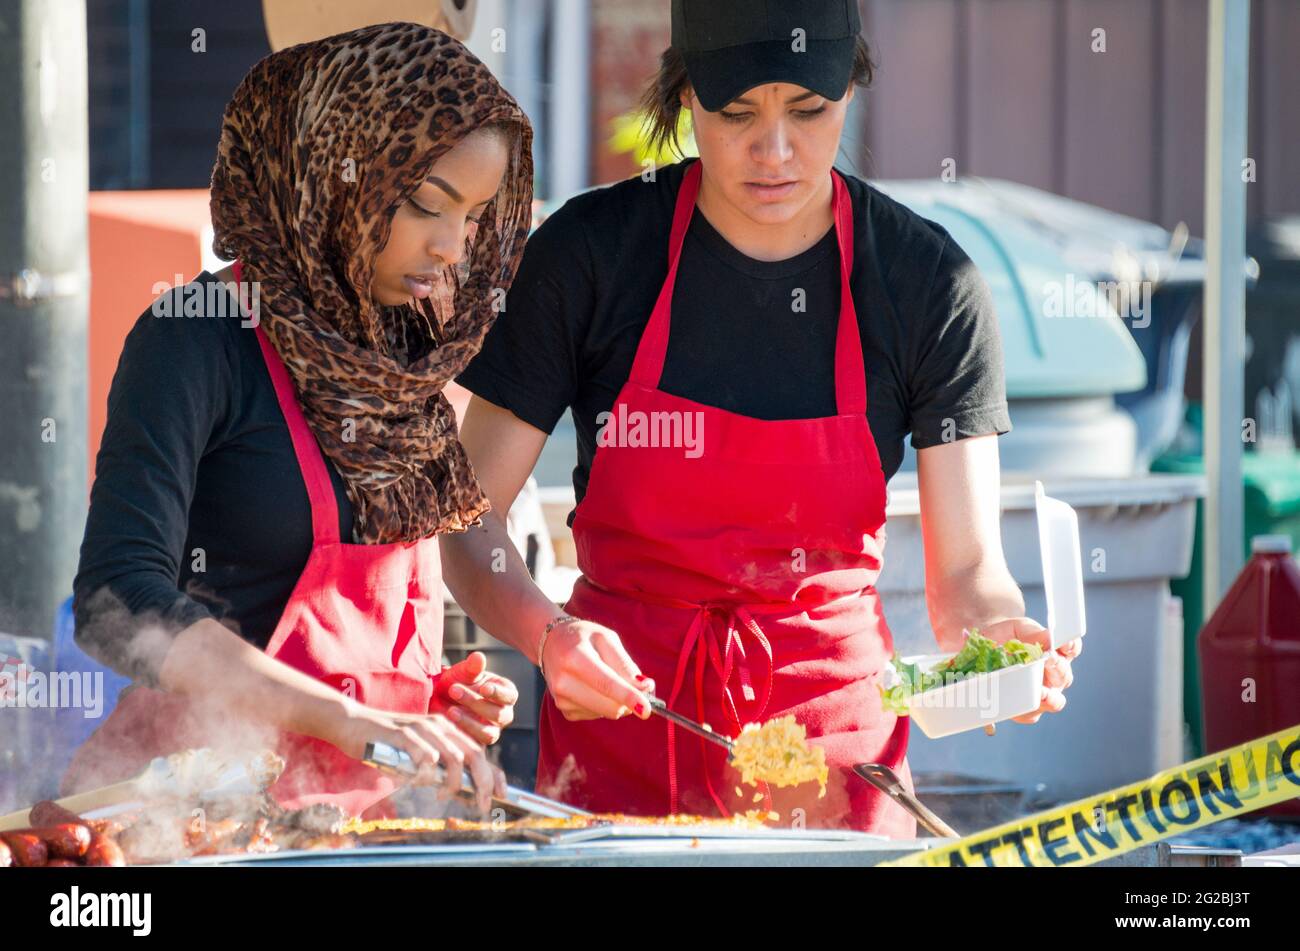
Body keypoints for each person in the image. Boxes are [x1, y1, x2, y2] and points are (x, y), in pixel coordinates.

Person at [441, 0, 1082, 833]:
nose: (774, 151)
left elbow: (964, 575)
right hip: (625, 745)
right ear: (686, 95)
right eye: (736, 112)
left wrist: (1001, 643)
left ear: (851, 86)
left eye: (809, 111)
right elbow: (465, 523)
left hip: (837, 762)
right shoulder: (593, 253)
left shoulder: (928, 283)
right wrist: (548, 635)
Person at [66, 23, 534, 818]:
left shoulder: (404, 357)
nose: (453, 247)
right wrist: (342, 716)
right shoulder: (197, 335)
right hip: (186, 820)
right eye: (427, 204)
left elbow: (380, 635)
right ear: (334, 172)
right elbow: (120, 598)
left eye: (475, 214)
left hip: (353, 829)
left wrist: (430, 700)